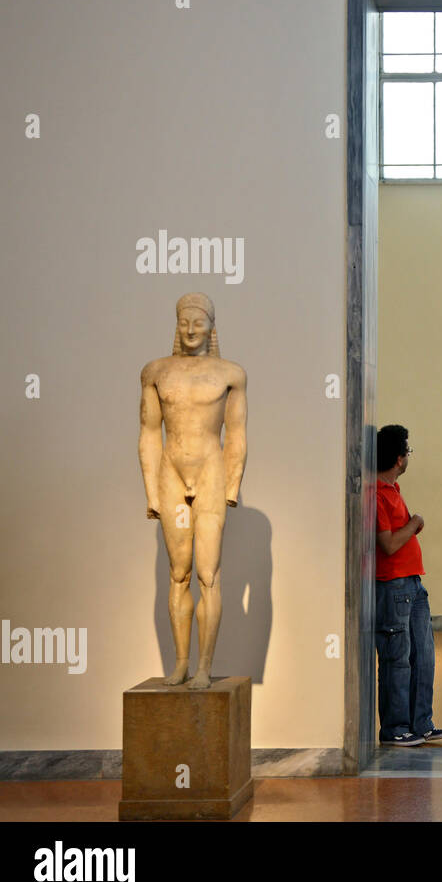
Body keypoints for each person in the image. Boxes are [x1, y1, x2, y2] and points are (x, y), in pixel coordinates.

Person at [138, 292, 247, 690]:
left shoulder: (229, 374)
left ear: (210, 326)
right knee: (178, 572)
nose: (190, 329)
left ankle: (204, 666)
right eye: (184, 321)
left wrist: (232, 486)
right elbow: (150, 434)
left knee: (207, 573)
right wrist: (151, 492)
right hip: (171, 473)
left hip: (210, 474)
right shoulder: (156, 372)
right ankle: (181, 662)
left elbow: (235, 435)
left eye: (198, 322)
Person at [374, 424, 442, 747]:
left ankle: (421, 722)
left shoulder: (393, 491)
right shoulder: (377, 495)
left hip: (413, 585)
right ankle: (395, 727)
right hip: (394, 586)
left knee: (424, 657)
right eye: (407, 452)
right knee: (398, 659)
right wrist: (415, 523)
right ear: (398, 458)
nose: (408, 457)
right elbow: (389, 544)